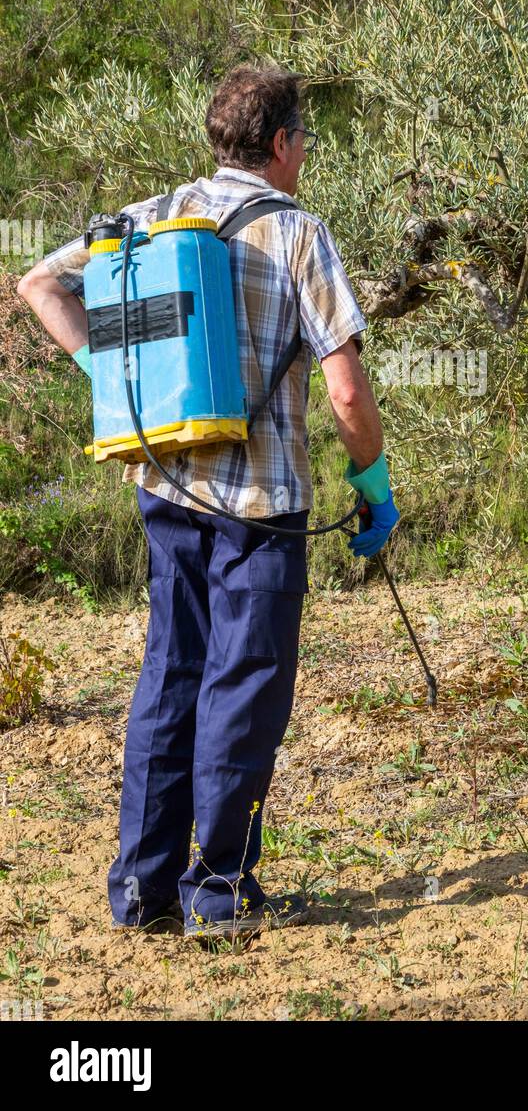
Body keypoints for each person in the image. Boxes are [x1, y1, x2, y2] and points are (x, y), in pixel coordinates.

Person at [17, 63, 399, 937]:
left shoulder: (150, 219)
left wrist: (108, 375)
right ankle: (218, 893)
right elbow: (345, 392)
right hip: (262, 506)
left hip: (167, 488)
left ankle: (141, 895)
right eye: (304, 138)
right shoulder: (299, 232)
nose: (305, 153)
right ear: (279, 144)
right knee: (245, 686)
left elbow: (39, 285)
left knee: (169, 679)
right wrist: (374, 488)